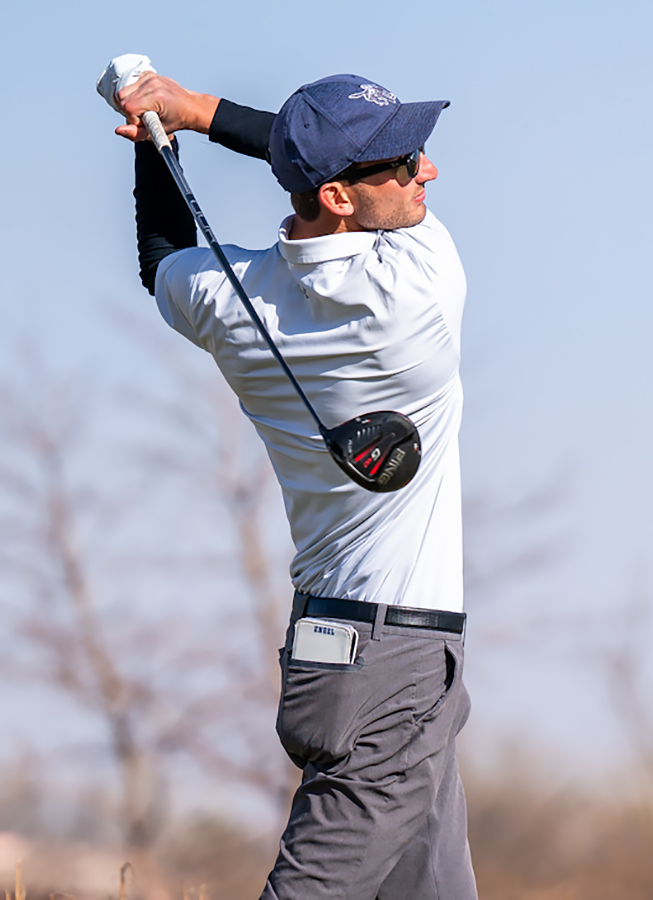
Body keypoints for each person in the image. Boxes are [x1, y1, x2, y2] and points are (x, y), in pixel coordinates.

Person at [115, 72, 476, 900]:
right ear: (340, 197)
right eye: (405, 162)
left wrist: (155, 149)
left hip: (327, 652)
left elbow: (163, 263)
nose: (427, 173)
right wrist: (191, 115)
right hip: (401, 666)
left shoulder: (229, 302)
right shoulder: (420, 284)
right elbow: (277, 146)